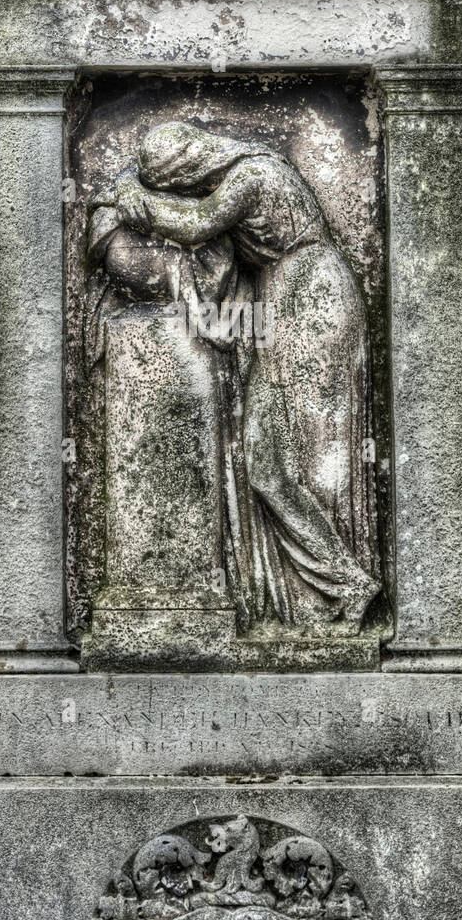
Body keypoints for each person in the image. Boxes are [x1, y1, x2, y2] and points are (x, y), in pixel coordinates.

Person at [112, 120, 380, 631]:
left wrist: (135, 199)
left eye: (174, 181)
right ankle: (342, 582)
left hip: (312, 299)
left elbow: (197, 224)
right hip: (285, 299)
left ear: (190, 162)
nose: (181, 189)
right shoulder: (242, 174)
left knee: (298, 453)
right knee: (267, 459)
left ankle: (345, 583)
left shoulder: (255, 174)